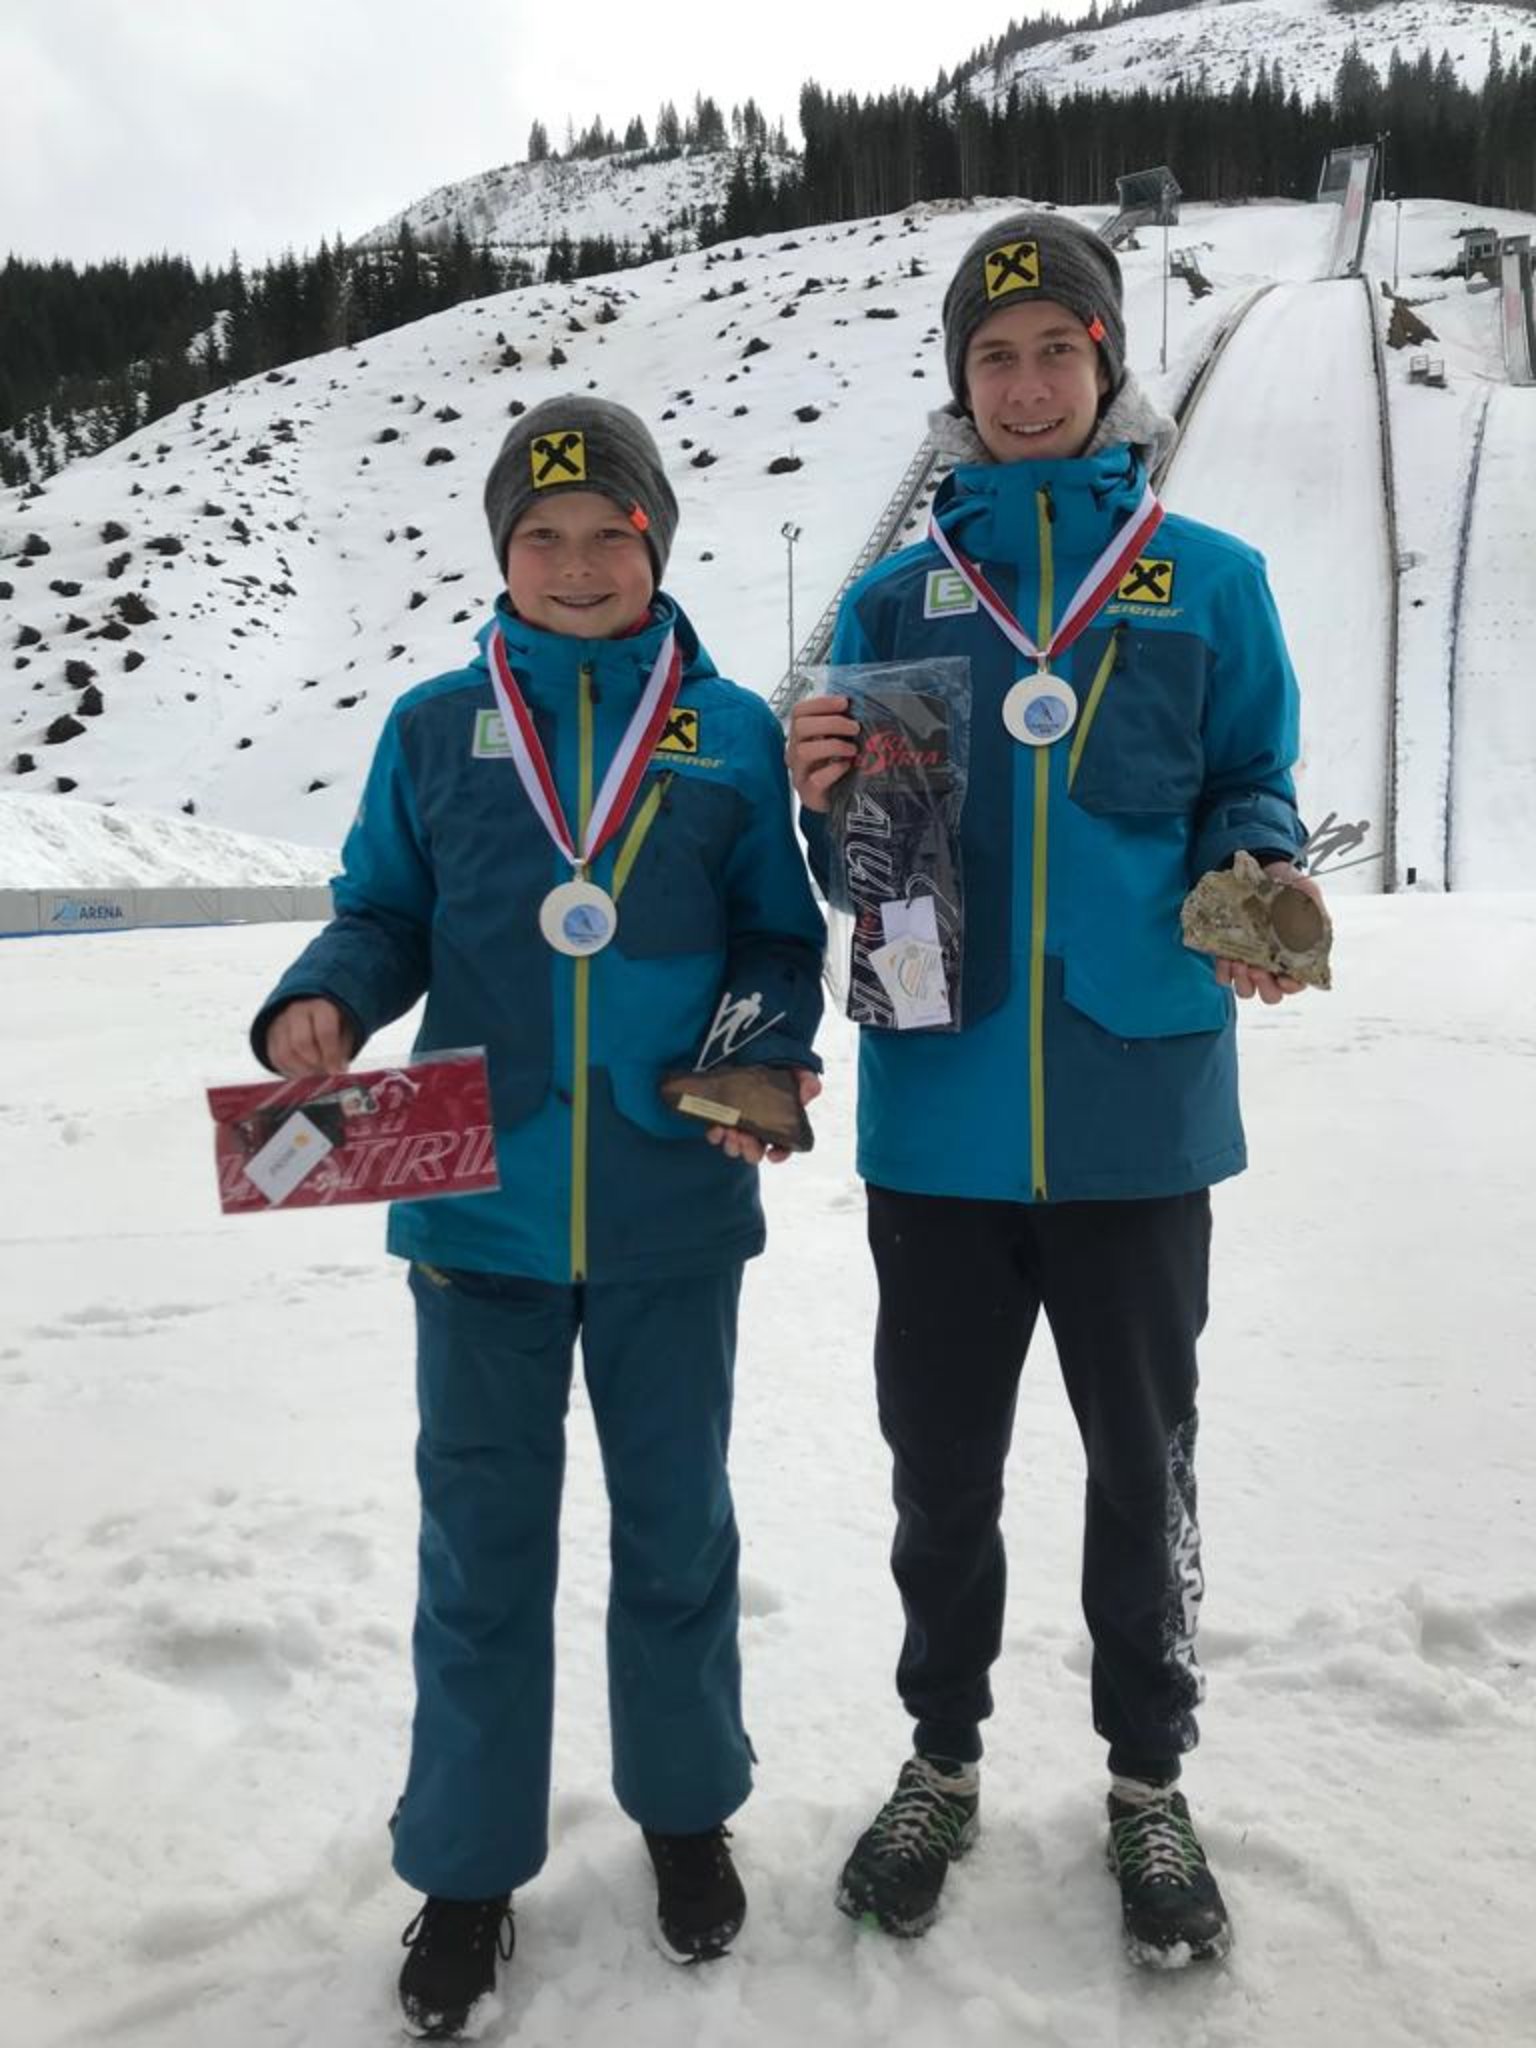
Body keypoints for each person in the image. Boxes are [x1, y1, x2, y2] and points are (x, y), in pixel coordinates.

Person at [252, 395, 824, 2039]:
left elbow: (777, 947)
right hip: (477, 1212)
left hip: (668, 1212)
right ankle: (466, 1869)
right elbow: (382, 911)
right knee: (479, 1557)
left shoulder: (722, 732)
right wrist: (323, 1005)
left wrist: (761, 1052)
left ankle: (686, 1815)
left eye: (608, 535)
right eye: (541, 538)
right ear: (502, 554)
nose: (575, 565)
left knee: (677, 1538)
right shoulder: (439, 726)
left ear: (657, 541)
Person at [788, 211, 1322, 1968]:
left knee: (1137, 1462)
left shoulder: (1210, 577)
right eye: (994, 357)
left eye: (1057, 351)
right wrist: (820, 800)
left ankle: (1148, 1783)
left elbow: (1254, 777)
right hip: (938, 1115)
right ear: (961, 384)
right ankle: (941, 1756)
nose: (1025, 384)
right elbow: (857, 867)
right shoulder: (889, 593)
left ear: (1109, 367)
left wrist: (1257, 872)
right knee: (938, 1468)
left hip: (1136, 1105)